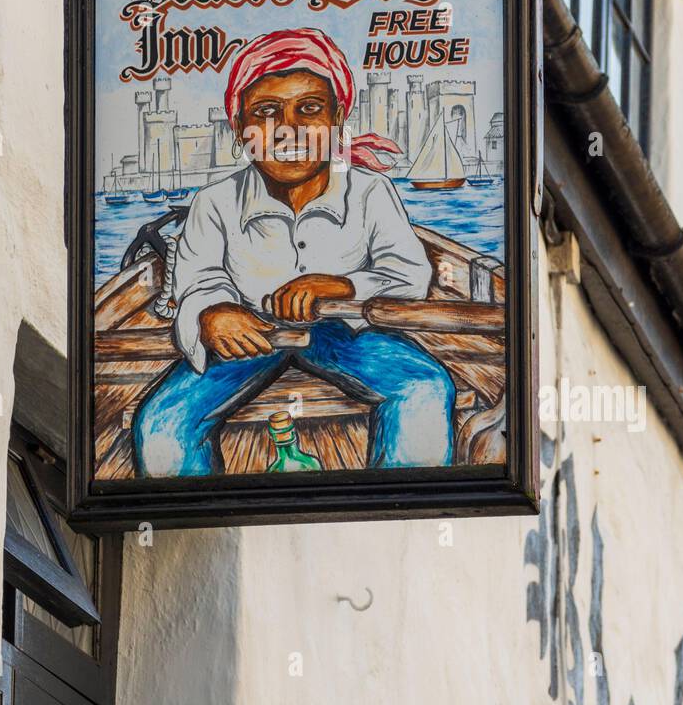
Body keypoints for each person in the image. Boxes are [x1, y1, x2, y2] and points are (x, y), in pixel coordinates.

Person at [133, 28, 456, 476]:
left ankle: (407, 503)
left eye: (309, 109)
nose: (289, 129)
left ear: (338, 118)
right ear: (240, 129)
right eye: (266, 112)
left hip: (348, 337)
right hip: (249, 338)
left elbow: (408, 273)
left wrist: (342, 287)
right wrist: (214, 314)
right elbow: (199, 279)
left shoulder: (370, 192)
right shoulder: (215, 202)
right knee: (162, 422)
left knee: (424, 386)